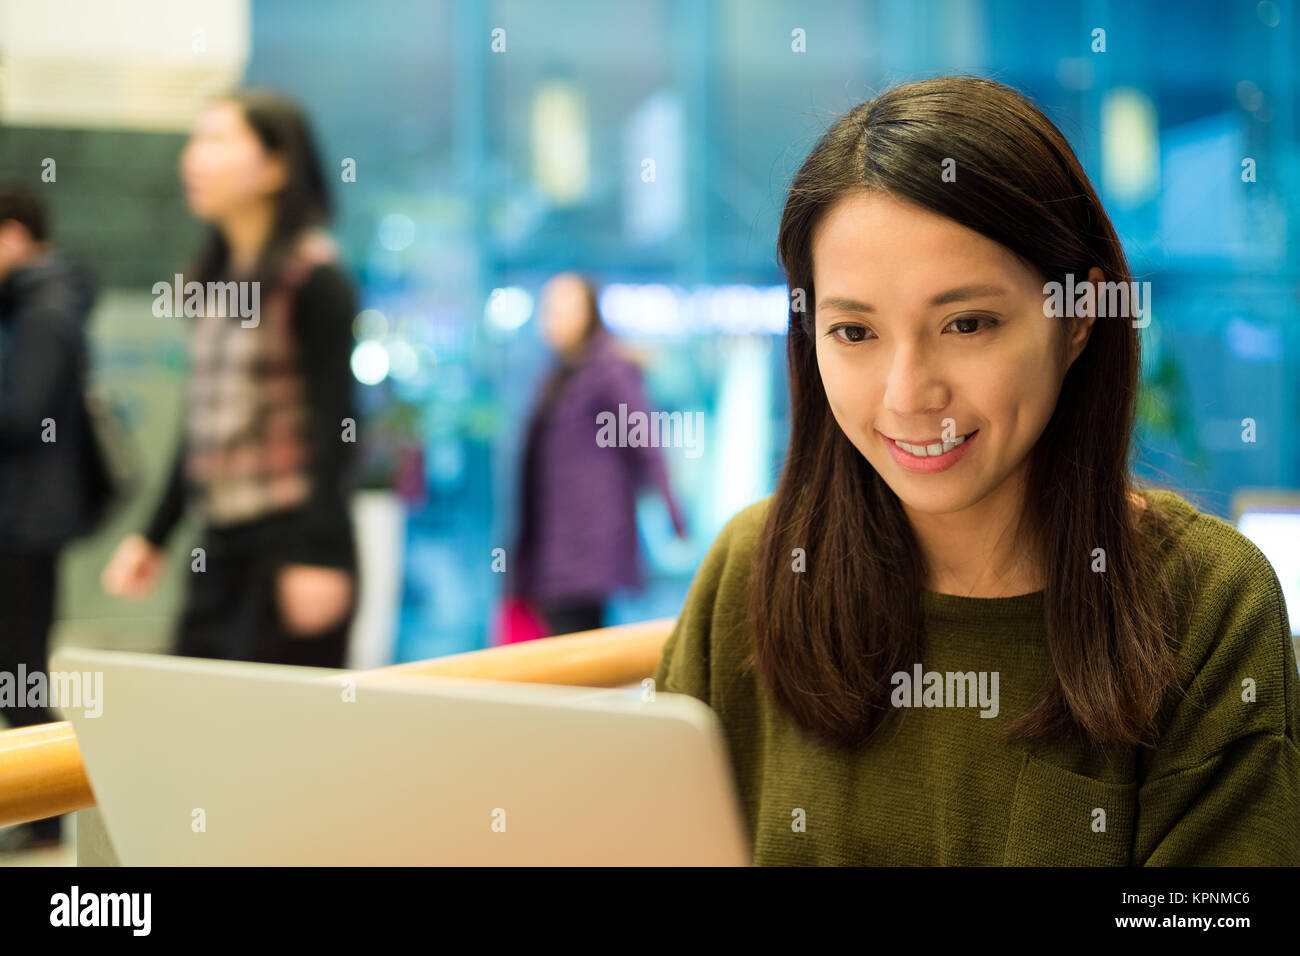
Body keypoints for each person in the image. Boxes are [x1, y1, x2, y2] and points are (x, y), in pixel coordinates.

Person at [655, 76, 1300, 866]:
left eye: (967, 323)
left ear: (1077, 317)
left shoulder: (1204, 603)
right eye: (854, 332)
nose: (908, 395)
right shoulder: (753, 567)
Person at [101, 89, 359, 668]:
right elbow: (201, 424)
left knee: (281, 746)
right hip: (219, 543)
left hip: (290, 546)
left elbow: (339, 425)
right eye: (195, 140)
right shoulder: (215, 283)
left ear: (275, 167)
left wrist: (320, 554)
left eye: (217, 140)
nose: (193, 159)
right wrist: (154, 534)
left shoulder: (314, 279)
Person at [0, 184, 99, 851]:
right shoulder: (32, 304)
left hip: (24, 523)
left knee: (19, 670)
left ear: (12, 235)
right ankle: (42, 816)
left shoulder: (44, 309)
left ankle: (50, 816)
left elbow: (23, 415)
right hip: (21, 518)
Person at [510, 273, 687, 637]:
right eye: (548, 309)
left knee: (577, 651)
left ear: (588, 312)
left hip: (586, 546)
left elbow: (644, 440)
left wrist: (675, 514)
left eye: (564, 308)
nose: (553, 318)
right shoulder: (559, 375)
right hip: (555, 548)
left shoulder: (609, 370)